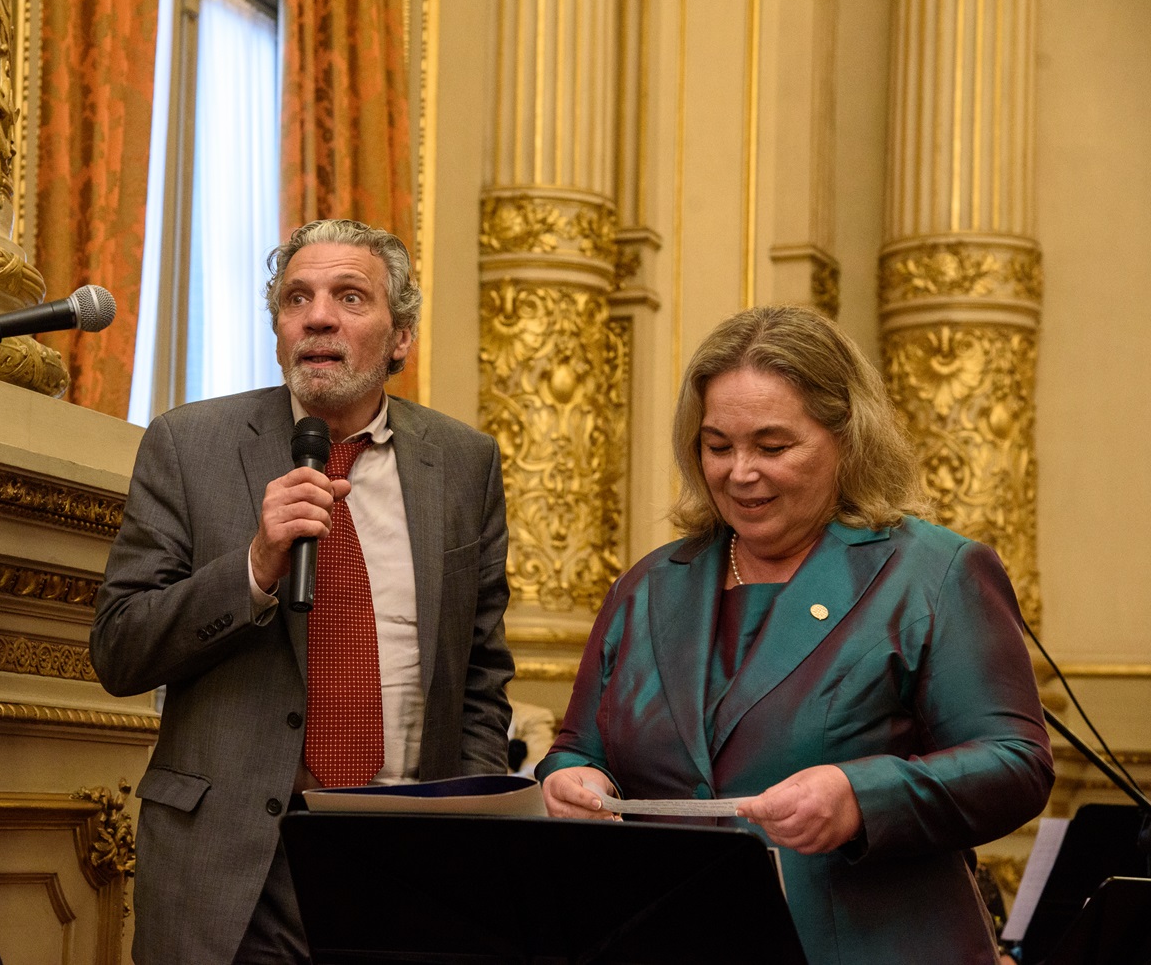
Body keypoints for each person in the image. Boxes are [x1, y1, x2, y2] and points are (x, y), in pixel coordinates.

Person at [537, 305, 1053, 965]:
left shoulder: (932, 572)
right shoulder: (649, 586)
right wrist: (573, 780)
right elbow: (580, 748)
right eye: (717, 446)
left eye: (772, 447)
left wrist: (861, 798)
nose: (739, 472)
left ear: (847, 438)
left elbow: (1016, 763)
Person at [92, 218, 514, 965]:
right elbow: (120, 649)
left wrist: (466, 829)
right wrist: (254, 568)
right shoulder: (189, 445)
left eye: (349, 297)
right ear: (279, 329)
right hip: (234, 870)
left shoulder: (463, 463)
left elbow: (479, 674)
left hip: (410, 864)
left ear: (401, 337)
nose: (318, 317)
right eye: (296, 298)